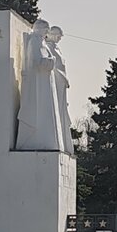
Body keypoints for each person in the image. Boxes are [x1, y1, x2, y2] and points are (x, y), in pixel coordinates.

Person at [16, 19, 63, 150]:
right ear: (40, 29)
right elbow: (36, 61)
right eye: (45, 29)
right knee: (39, 109)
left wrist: (50, 61)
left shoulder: (42, 43)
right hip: (38, 83)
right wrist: (51, 61)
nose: (47, 32)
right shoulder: (35, 41)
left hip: (44, 82)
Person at [47, 26, 75, 156]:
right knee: (57, 109)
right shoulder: (48, 47)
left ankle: (64, 142)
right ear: (51, 34)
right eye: (58, 35)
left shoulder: (57, 48)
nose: (59, 38)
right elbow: (53, 67)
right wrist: (64, 78)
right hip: (56, 83)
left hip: (61, 85)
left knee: (63, 110)